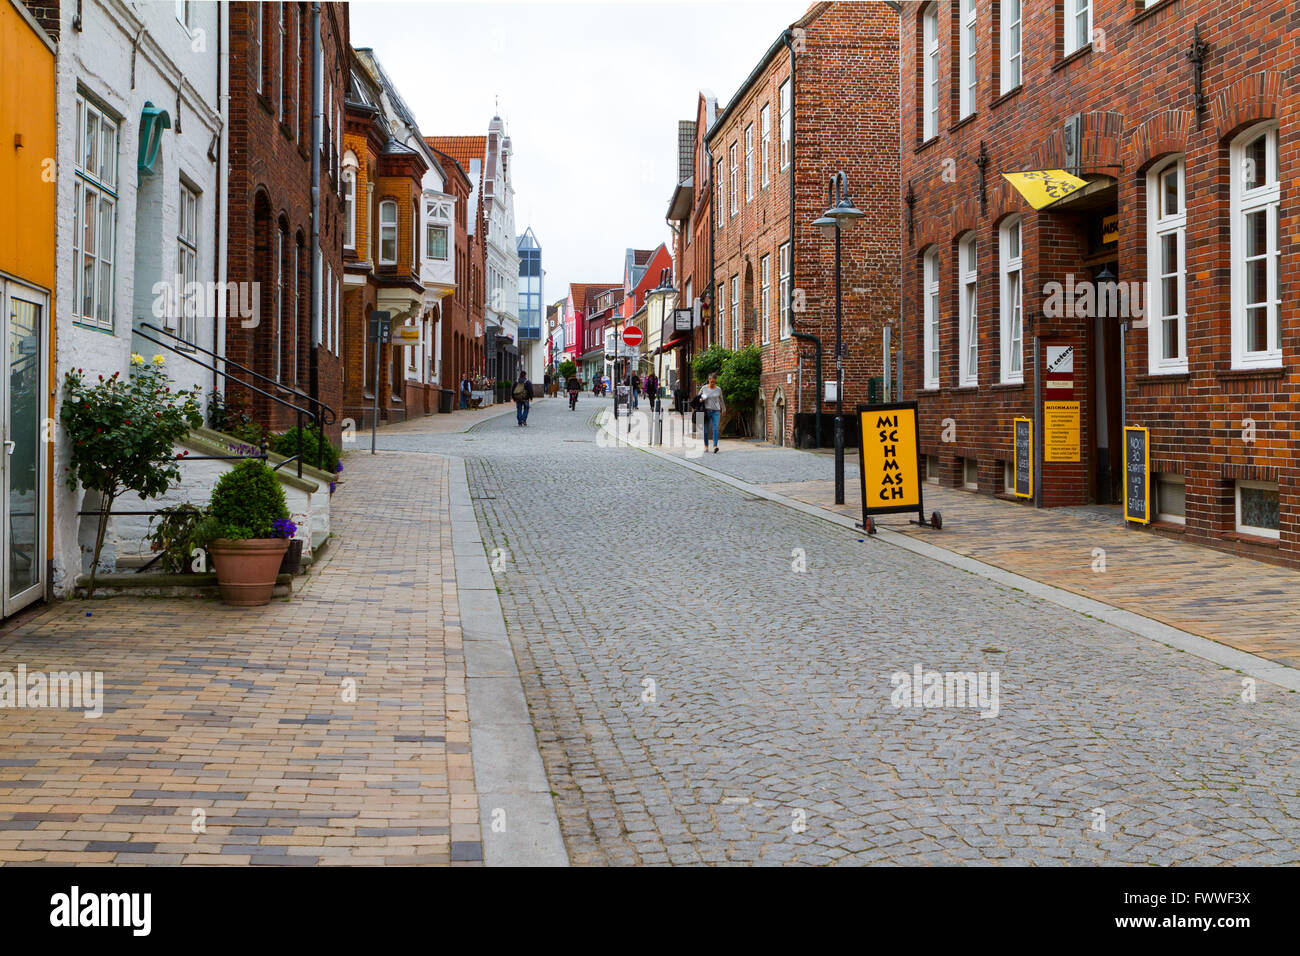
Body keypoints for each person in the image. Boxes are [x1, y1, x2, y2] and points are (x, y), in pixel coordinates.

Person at [698, 373, 725, 453]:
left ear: (715, 380)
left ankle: (715, 446)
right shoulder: (704, 388)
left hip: (716, 411)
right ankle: (706, 446)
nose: (712, 383)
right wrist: (702, 400)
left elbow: (721, 400)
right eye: (711, 381)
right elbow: (698, 399)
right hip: (706, 411)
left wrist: (724, 409)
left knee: (716, 428)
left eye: (714, 382)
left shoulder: (718, 389)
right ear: (708, 380)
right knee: (706, 430)